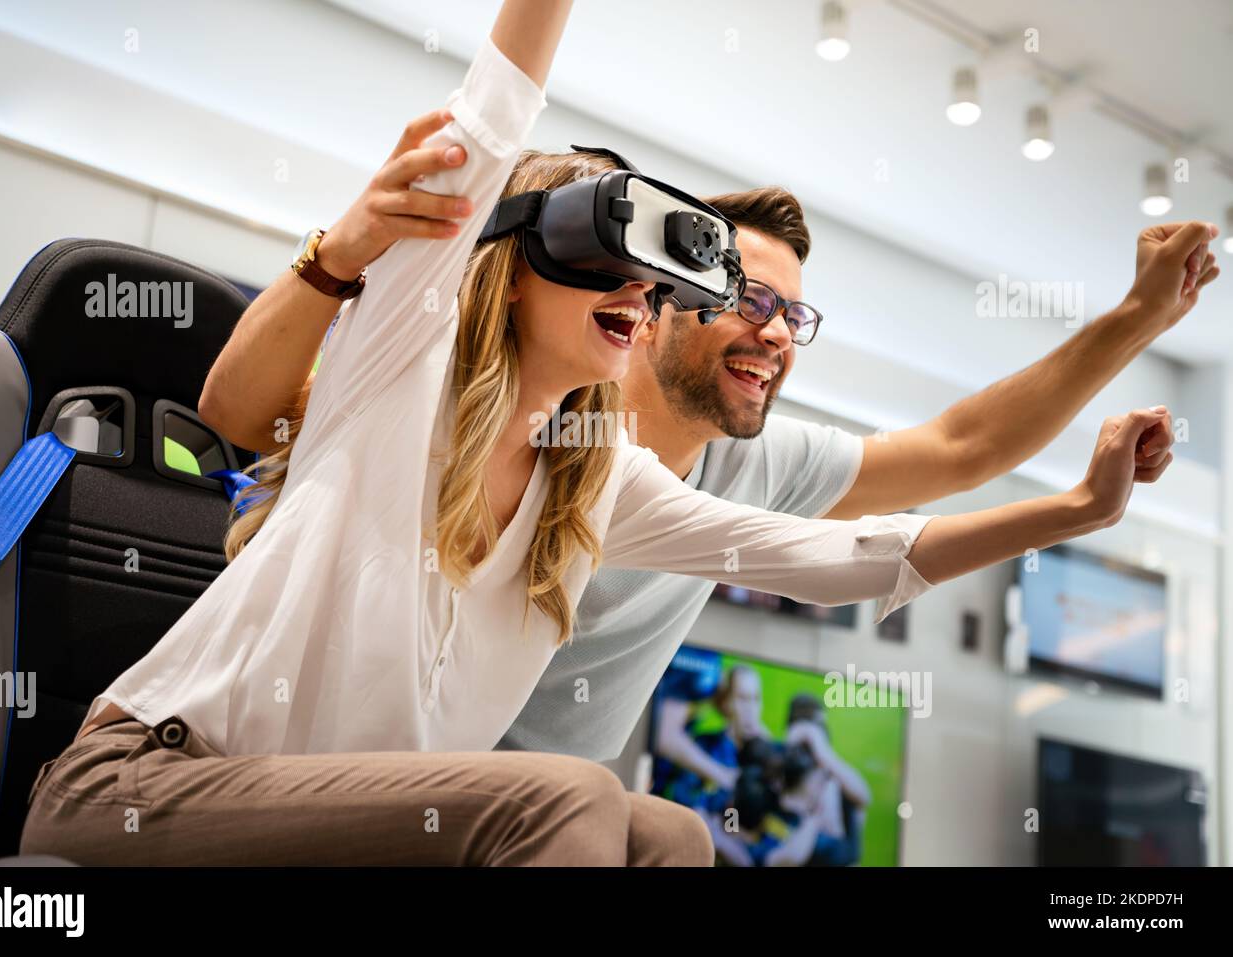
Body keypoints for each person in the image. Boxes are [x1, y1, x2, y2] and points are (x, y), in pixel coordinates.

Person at [22, 0, 1183, 868]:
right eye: (606, 250)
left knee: (669, 832)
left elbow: (847, 559)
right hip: (151, 782)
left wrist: (1079, 511)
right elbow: (494, 115)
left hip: (342, 809)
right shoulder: (398, 384)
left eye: (661, 274)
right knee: (569, 800)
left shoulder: (595, 482)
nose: (645, 286)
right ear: (507, 270)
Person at [197, 109, 1220, 769]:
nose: (774, 333)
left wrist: (1134, 324)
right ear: (657, 295)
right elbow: (246, 418)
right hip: (375, 776)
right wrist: (344, 253)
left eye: (793, 315)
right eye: (747, 299)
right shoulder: (478, 404)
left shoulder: (739, 466)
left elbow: (953, 455)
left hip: (545, 816)